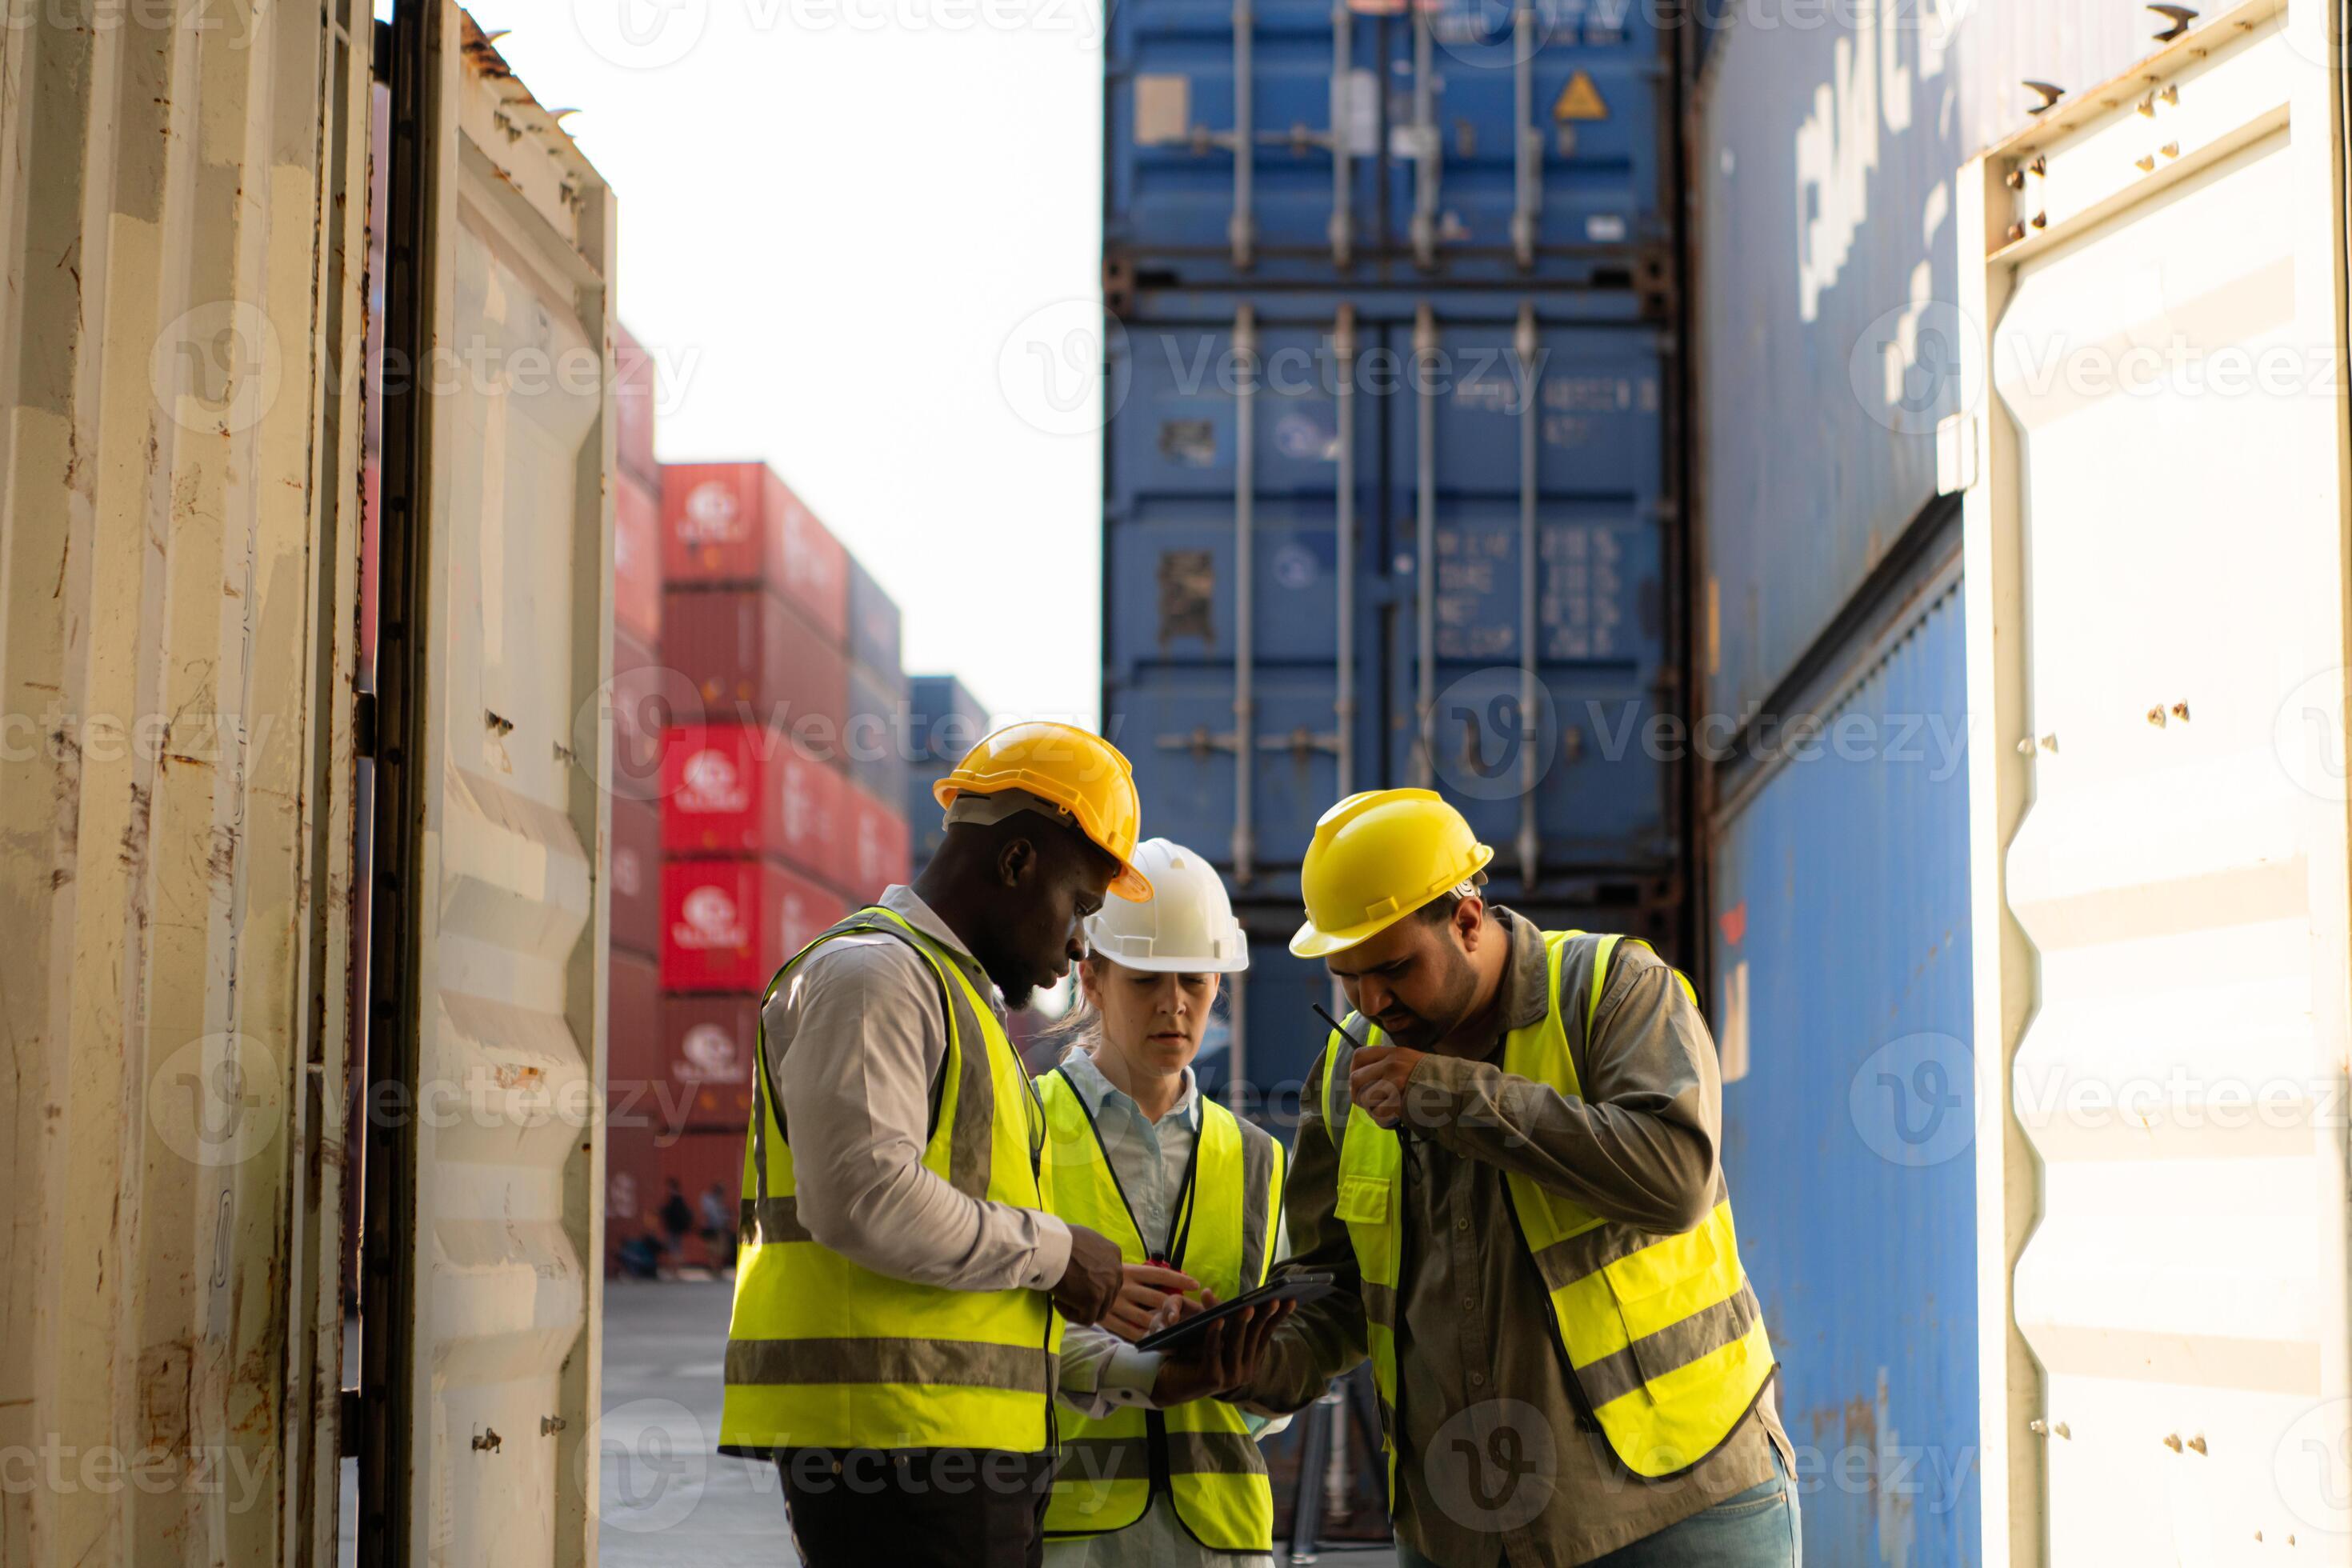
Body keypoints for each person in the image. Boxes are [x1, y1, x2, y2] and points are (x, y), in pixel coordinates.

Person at [717, 722, 1291, 1568]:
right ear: (1019, 862)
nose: (1075, 942)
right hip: (896, 1453)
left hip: (952, 1453)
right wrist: (1059, 1255)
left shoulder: (958, 1006)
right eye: (1081, 907)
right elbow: (861, 1195)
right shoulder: (873, 976)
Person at [1234, 788, 1800, 1568]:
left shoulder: (1614, 991)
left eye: (1394, 968)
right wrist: (1250, 1363)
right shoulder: (1342, 1073)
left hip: (1679, 1508)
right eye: (1348, 977)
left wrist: (1448, 1094)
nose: (1372, 1002)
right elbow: (1335, 1294)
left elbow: (1676, 1180)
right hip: (1463, 1535)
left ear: (1467, 920)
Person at [1034, 838, 1291, 1568]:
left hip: (1222, 1540)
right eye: (1147, 979)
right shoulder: (1027, 1125)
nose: (1175, 1004)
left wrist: (1231, 1361)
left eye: (1195, 981)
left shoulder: (1258, 1160)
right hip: (1071, 1540)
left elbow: (1279, 1388)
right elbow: (977, 1337)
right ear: (1092, 977)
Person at [658, 1178, 694, 1271]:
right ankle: (676, 1269)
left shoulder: (674, 1200)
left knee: (674, 1249)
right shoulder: (680, 1200)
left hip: (673, 1228)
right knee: (676, 1248)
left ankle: (675, 1269)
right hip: (677, 1228)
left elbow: (671, 1214)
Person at [698, 1181, 733, 1270]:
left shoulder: (709, 1200)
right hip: (715, 1228)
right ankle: (715, 1266)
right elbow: (716, 1216)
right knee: (716, 1249)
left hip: (714, 1228)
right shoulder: (714, 1202)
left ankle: (715, 1266)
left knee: (716, 1249)